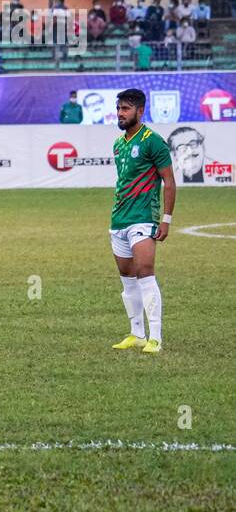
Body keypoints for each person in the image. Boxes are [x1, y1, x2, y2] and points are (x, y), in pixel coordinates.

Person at [108, 89, 175, 354]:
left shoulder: (153, 141)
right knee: (127, 277)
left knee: (145, 271)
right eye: (119, 108)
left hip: (144, 218)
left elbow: (168, 182)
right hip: (119, 218)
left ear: (140, 111)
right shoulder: (118, 143)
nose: (120, 114)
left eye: (126, 109)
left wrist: (166, 219)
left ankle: (155, 337)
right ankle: (137, 333)